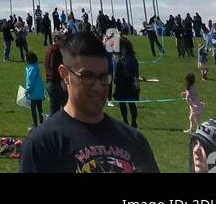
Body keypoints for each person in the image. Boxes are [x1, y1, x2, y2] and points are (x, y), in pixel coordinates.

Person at [18, 30, 159, 173]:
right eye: (87, 76)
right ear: (65, 75)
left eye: (104, 77)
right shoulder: (42, 145)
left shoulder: (134, 140)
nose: (98, 87)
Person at [113, 35, 140, 128]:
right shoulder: (130, 59)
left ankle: (129, 121)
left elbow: (135, 73)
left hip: (125, 85)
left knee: (128, 104)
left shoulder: (127, 60)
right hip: (125, 85)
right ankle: (129, 121)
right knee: (127, 104)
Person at [25, 51, 46, 127]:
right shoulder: (36, 67)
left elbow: (30, 82)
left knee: (33, 109)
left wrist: (27, 91)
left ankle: (35, 124)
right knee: (40, 109)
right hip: (39, 91)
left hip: (33, 93)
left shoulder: (31, 69)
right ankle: (42, 123)